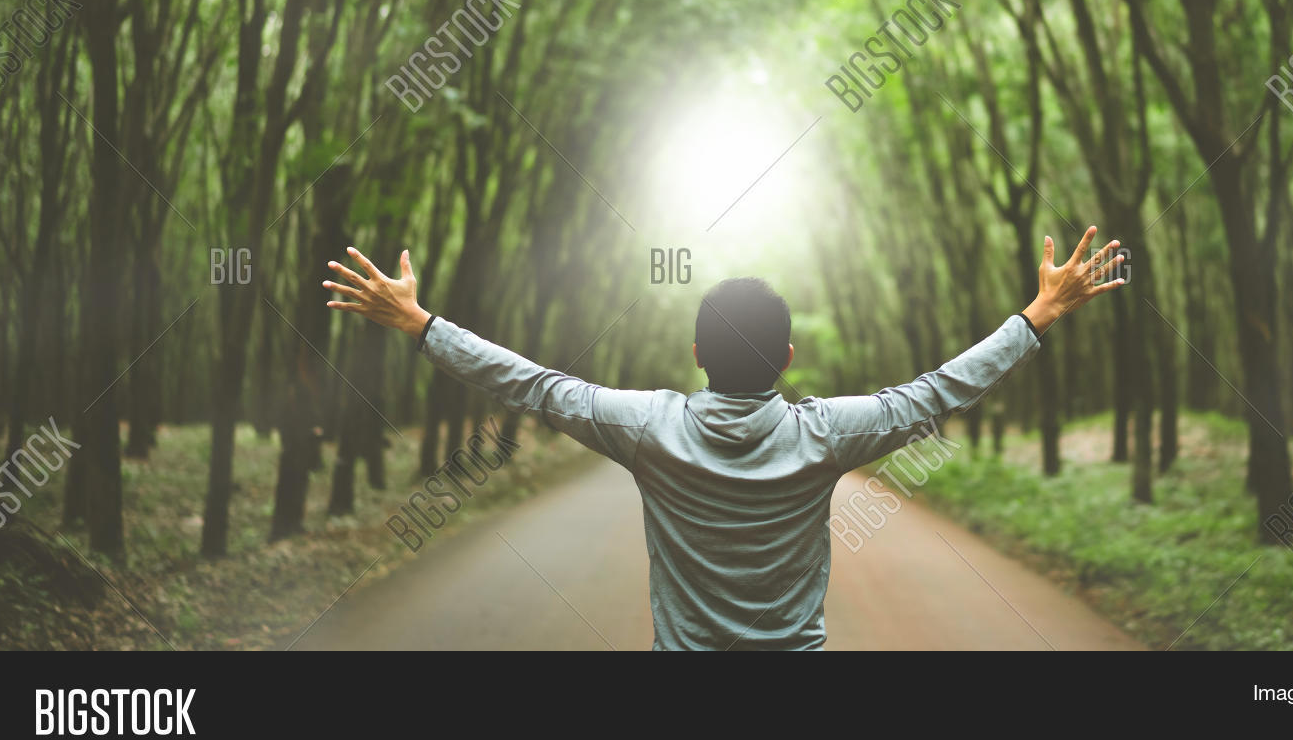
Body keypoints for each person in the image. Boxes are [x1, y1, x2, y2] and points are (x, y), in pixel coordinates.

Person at [324, 225, 1127, 650]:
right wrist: (1040, 313)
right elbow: (936, 391)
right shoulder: (827, 436)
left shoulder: (646, 428)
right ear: (786, 358)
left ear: (699, 354)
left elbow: (531, 382)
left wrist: (419, 323)